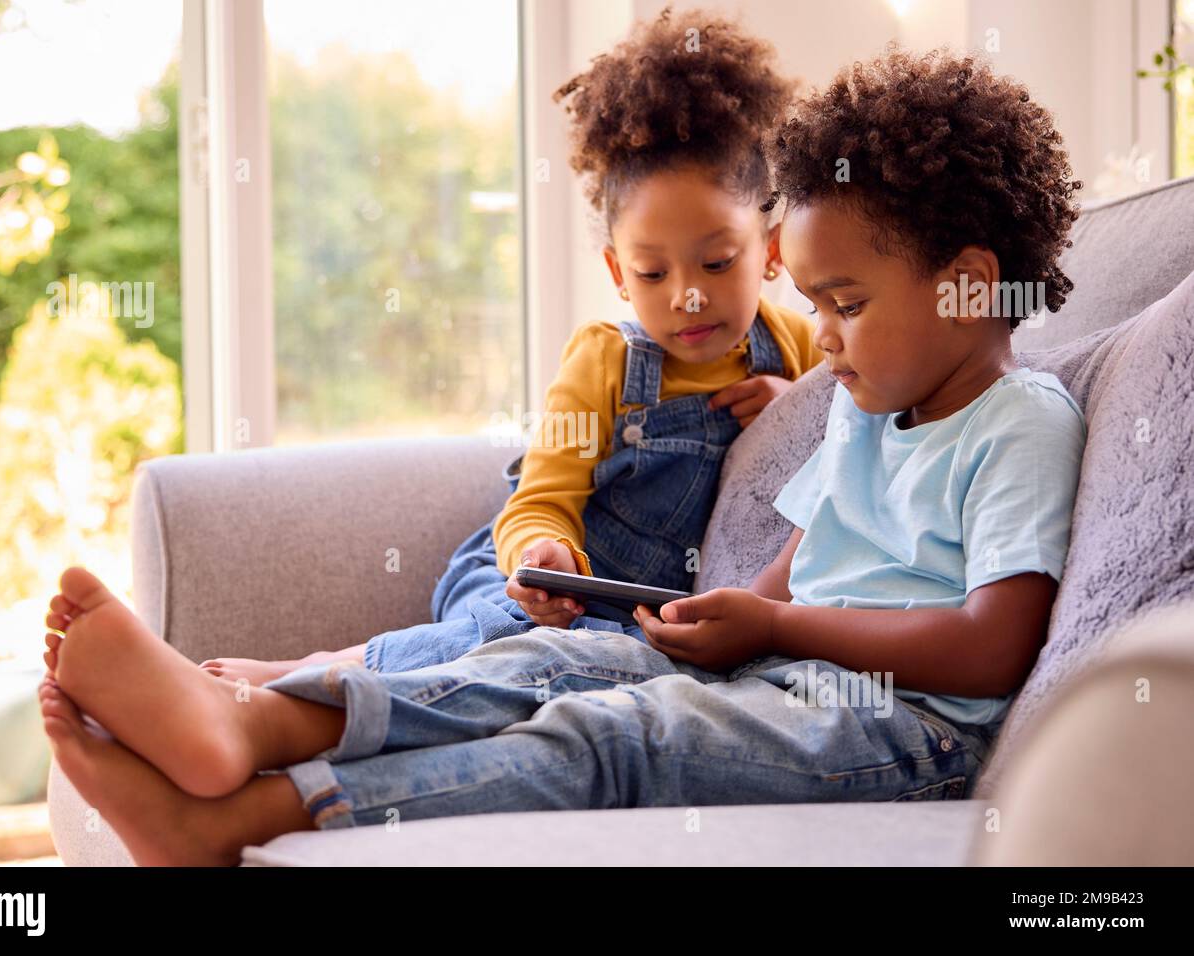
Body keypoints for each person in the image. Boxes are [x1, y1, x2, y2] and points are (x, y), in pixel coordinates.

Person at [39, 45, 1087, 866]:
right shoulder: (862, 405)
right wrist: (743, 613)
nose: (819, 334)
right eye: (812, 302)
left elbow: (992, 645)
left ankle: (250, 815)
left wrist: (771, 623)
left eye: (845, 304)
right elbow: (804, 558)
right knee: (551, 657)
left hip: (910, 733)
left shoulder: (1019, 422)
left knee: (616, 733)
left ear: (966, 284)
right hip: (783, 668)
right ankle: (255, 720)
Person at [196, 6, 818, 685]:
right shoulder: (608, 360)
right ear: (616, 273)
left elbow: (840, 444)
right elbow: (539, 499)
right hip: (538, 595)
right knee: (511, 637)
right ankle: (325, 671)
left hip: (638, 627)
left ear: (773, 250)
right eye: (652, 273)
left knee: (592, 678)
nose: (687, 296)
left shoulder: (800, 351)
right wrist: (542, 552)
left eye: (718, 262)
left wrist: (791, 412)